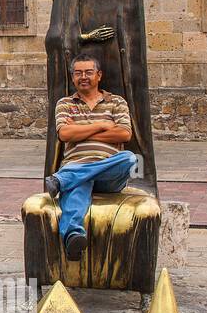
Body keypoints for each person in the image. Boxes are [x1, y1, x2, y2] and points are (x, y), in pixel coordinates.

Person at [43, 55, 137, 259]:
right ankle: (74, 236)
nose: (83, 77)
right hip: (78, 164)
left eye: (88, 72)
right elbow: (65, 134)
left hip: (110, 173)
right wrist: (103, 125)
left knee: (129, 158)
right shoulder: (65, 103)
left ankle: (63, 178)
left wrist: (80, 131)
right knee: (80, 183)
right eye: (78, 73)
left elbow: (124, 134)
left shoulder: (116, 102)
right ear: (72, 77)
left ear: (99, 75)